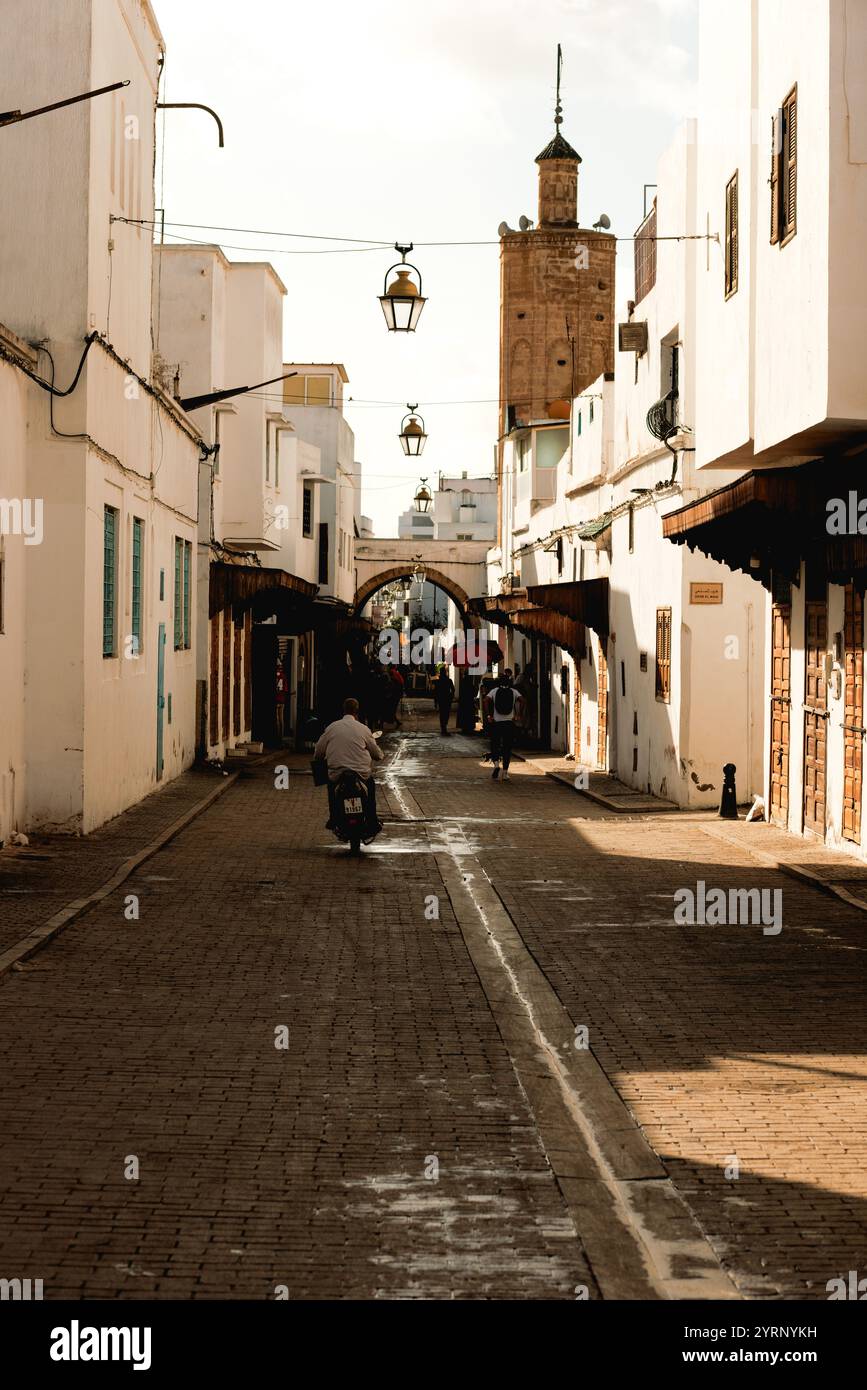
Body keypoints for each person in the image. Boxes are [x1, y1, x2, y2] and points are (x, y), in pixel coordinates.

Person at [314, 697, 383, 835]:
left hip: (337, 774)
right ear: (357, 712)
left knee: (331, 787)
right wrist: (380, 755)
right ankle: (372, 819)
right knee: (370, 789)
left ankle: (333, 818)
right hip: (361, 774)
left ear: (343, 711)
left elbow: (318, 751)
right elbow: (377, 754)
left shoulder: (332, 727)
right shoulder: (364, 729)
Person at [484, 669, 524, 781]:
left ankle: (496, 765)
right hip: (509, 723)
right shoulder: (514, 691)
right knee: (507, 748)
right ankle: (505, 773)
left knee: (494, 745)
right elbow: (523, 700)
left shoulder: (495, 691)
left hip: (497, 723)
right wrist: (518, 714)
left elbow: (485, 700)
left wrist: (489, 715)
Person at [434, 667, 455, 736]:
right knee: (446, 714)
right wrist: (451, 697)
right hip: (447, 699)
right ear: (445, 672)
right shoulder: (449, 680)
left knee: (442, 714)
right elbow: (453, 689)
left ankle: (443, 728)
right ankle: (444, 727)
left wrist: (435, 702)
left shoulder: (438, 681)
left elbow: (435, 692)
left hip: (441, 699)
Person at [275, 657, 287, 744]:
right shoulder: (283, 676)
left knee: (276, 719)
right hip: (282, 700)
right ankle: (281, 737)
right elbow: (285, 689)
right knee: (281, 719)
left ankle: (276, 736)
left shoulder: (275, 676)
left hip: (276, 699)